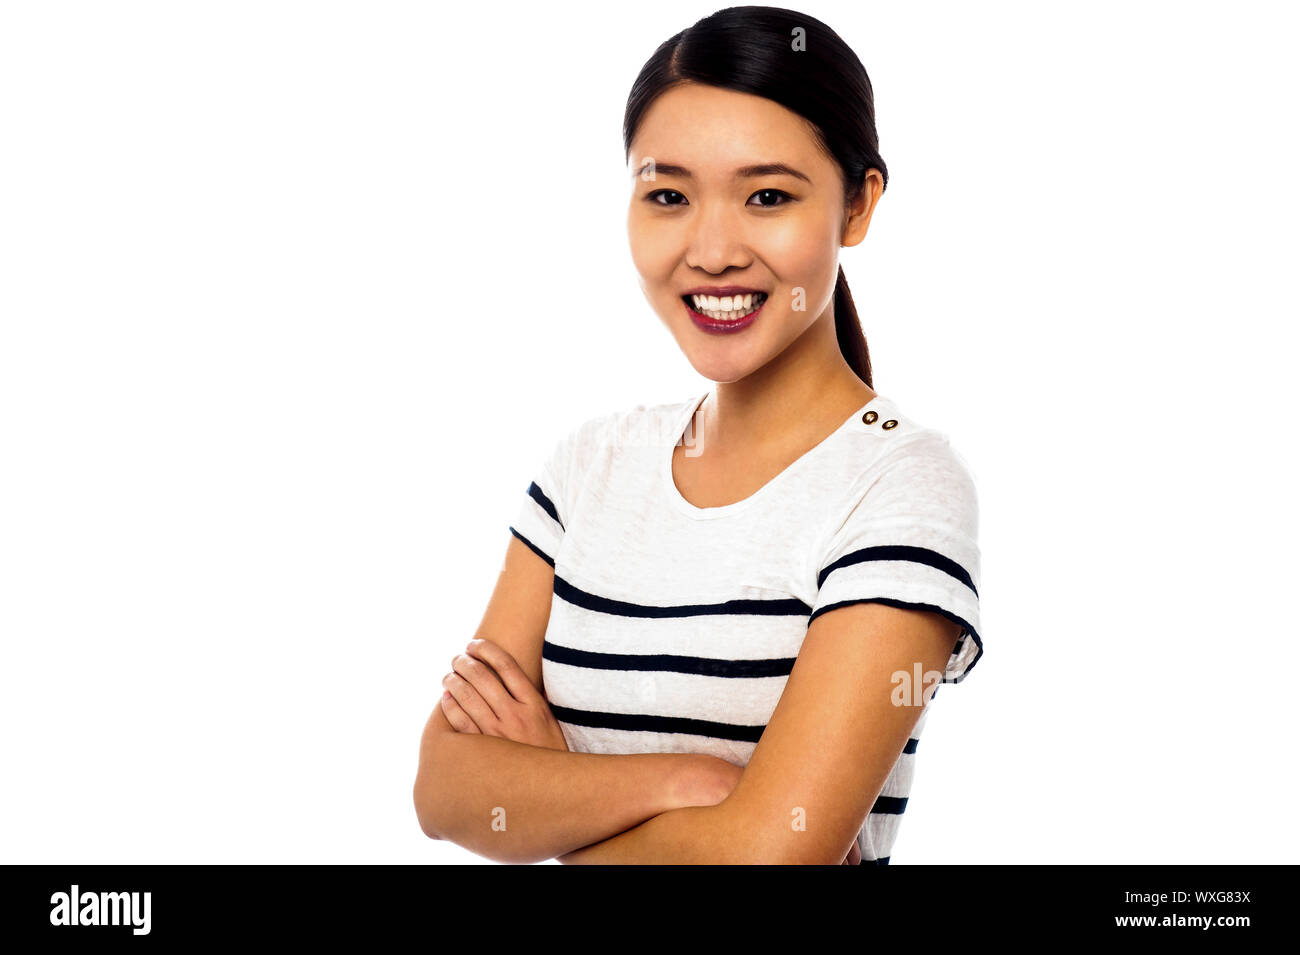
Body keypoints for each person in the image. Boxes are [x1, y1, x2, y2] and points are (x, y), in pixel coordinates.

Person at [412, 5, 983, 865]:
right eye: (669, 195)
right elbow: (445, 789)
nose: (712, 251)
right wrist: (686, 783)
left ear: (859, 204)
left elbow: (767, 856)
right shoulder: (588, 469)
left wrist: (554, 789)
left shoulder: (899, 484)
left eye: (768, 196)